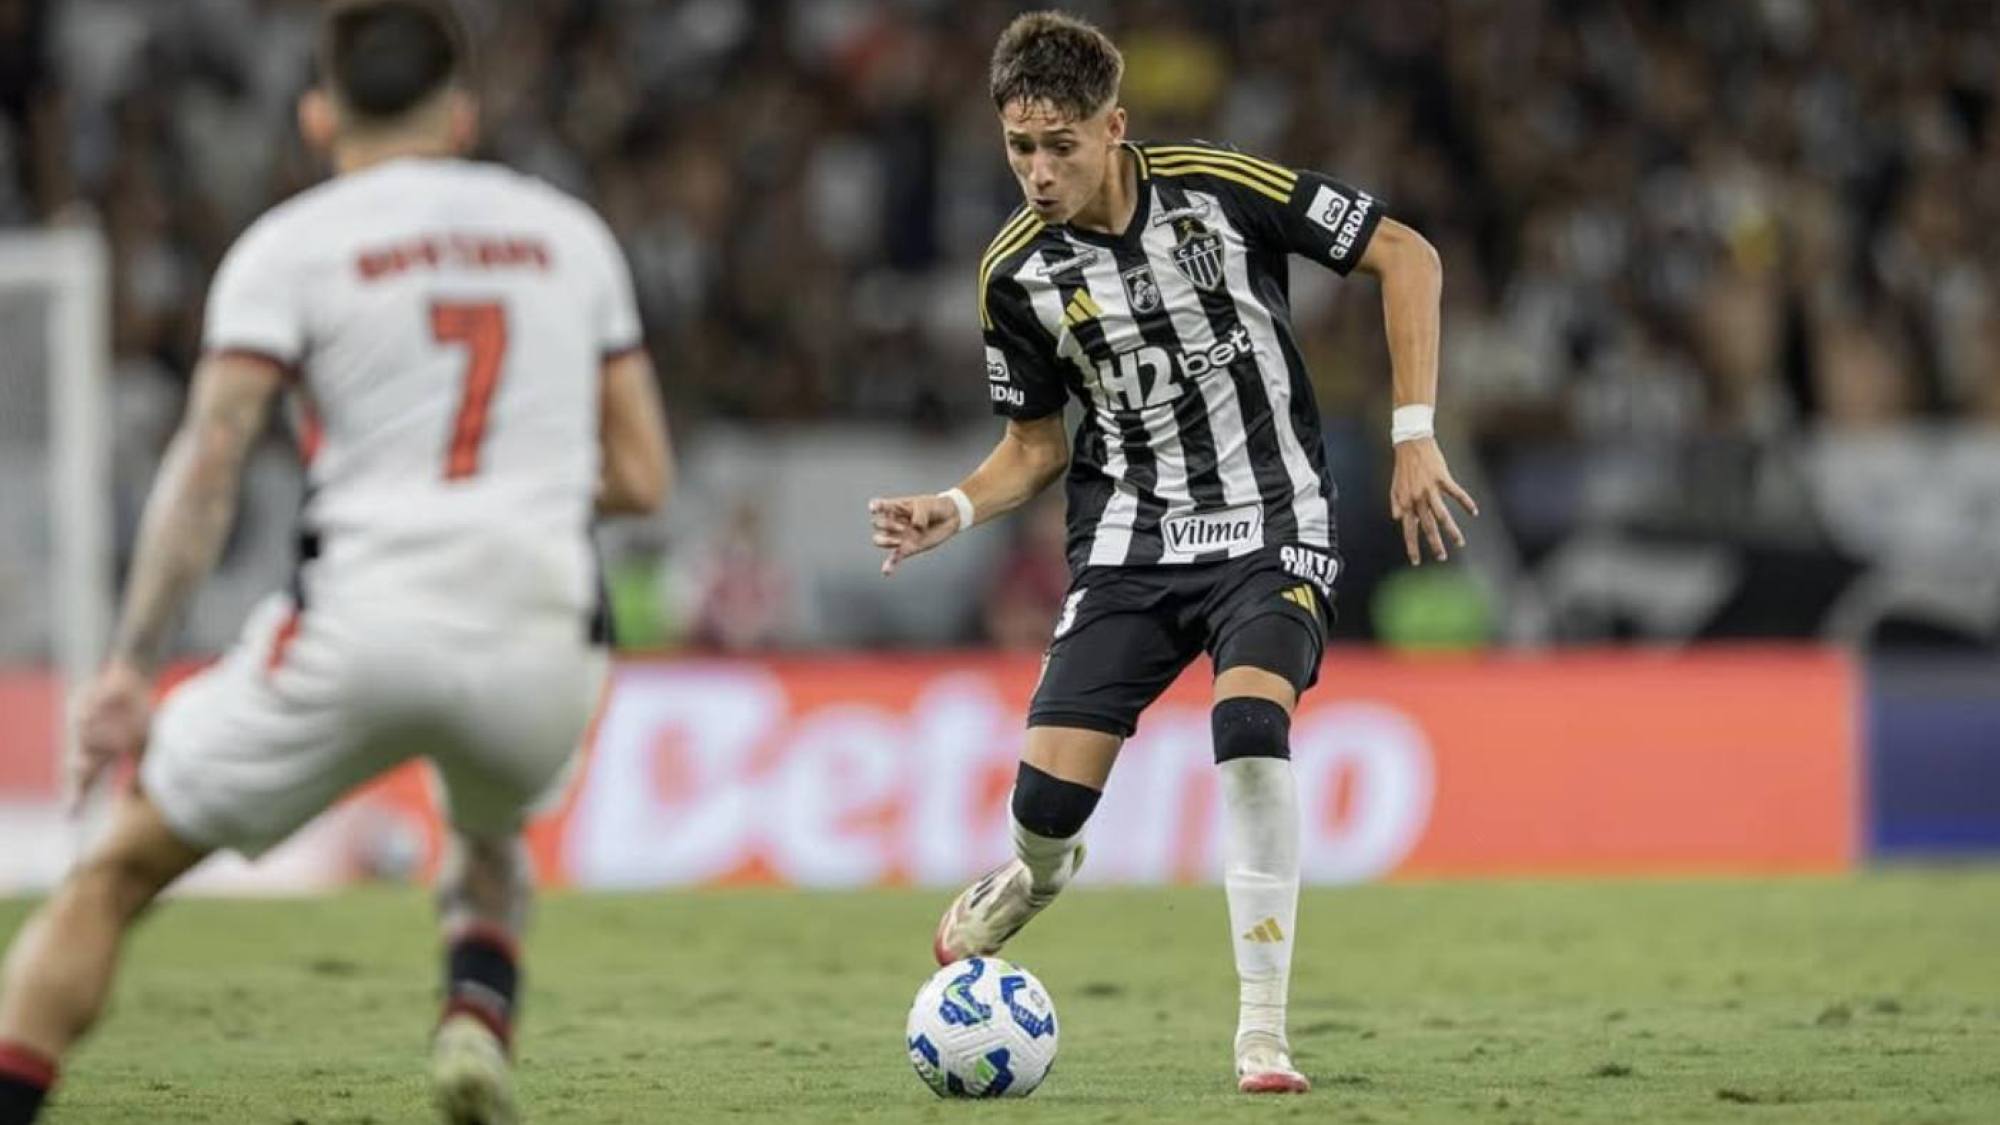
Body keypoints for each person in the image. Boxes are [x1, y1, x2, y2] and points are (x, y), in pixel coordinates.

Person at [0, 2, 670, 1122]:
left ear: (319, 115)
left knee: (112, 876)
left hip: (360, 624)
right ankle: (473, 1014)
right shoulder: (568, 236)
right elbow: (644, 477)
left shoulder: (287, 248)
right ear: (463, 114)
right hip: (541, 640)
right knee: (491, 825)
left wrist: (125, 670)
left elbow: (208, 465)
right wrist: (519, 480)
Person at [866, 10, 1476, 1095]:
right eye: (1019, 148)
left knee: (1249, 730)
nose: (1038, 172)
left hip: (1271, 524)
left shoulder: (1216, 189)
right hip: (1128, 550)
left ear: (1114, 127)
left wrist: (1411, 431)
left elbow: (1405, 252)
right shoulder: (1013, 274)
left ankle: (1260, 1034)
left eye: (1060, 144)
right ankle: (1035, 877)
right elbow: (1035, 444)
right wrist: (955, 509)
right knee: (1043, 814)